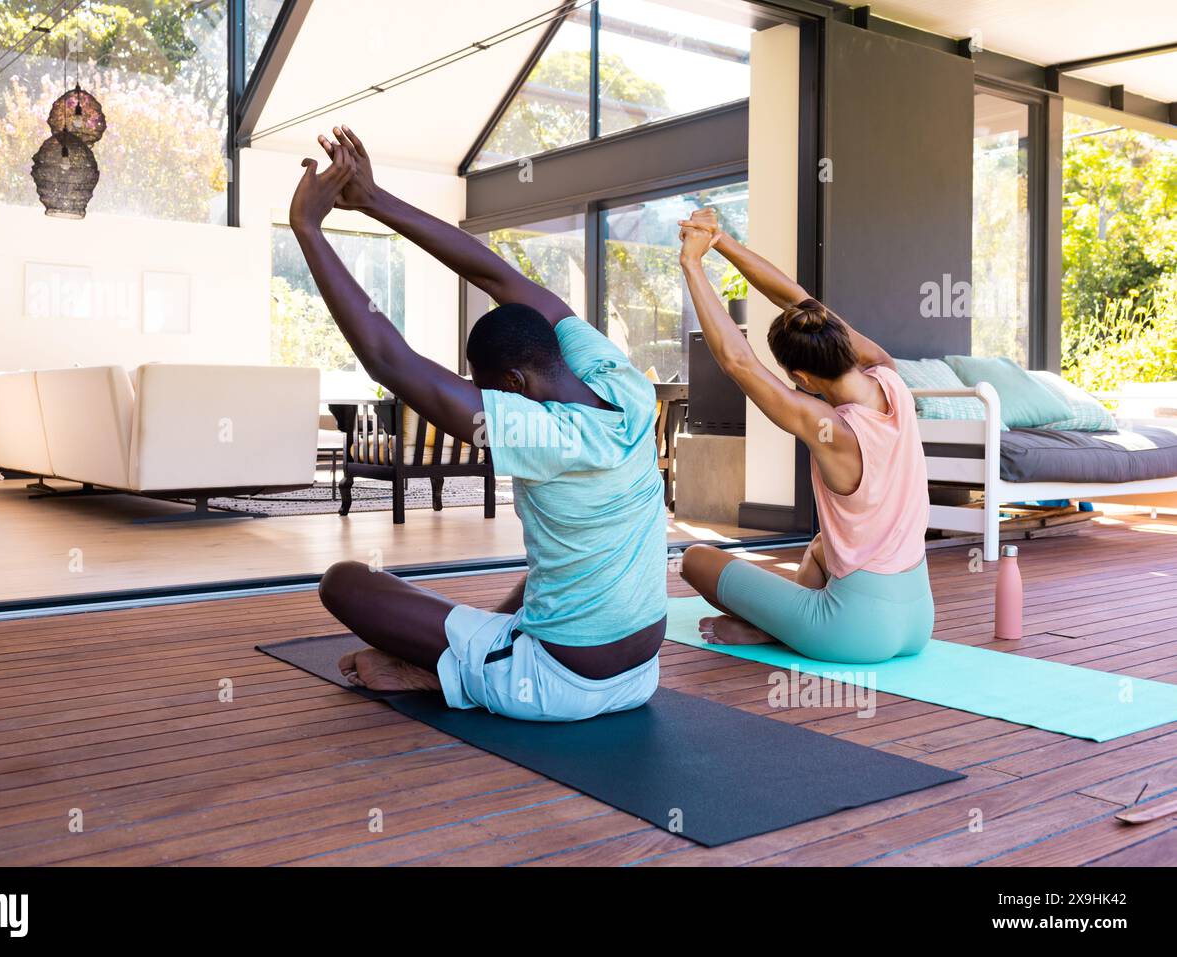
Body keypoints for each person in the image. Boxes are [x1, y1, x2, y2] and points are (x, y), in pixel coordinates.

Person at [288, 127, 667, 720]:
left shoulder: (544, 434)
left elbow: (390, 361)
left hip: (554, 683)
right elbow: (500, 279)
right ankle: (473, 656)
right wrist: (372, 199)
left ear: (514, 385)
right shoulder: (624, 384)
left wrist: (308, 229)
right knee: (548, 570)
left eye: (489, 393)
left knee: (344, 582)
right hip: (640, 675)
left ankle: (447, 673)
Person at [675, 209, 933, 664]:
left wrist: (692, 264)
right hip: (917, 619)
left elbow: (739, 363)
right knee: (822, 546)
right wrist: (722, 241)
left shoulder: (832, 429)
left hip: (854, 631)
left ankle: (780, 630)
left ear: (803, 378)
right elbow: (800, 299)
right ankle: (779, 627)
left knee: (696, 558)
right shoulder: (890, 377)